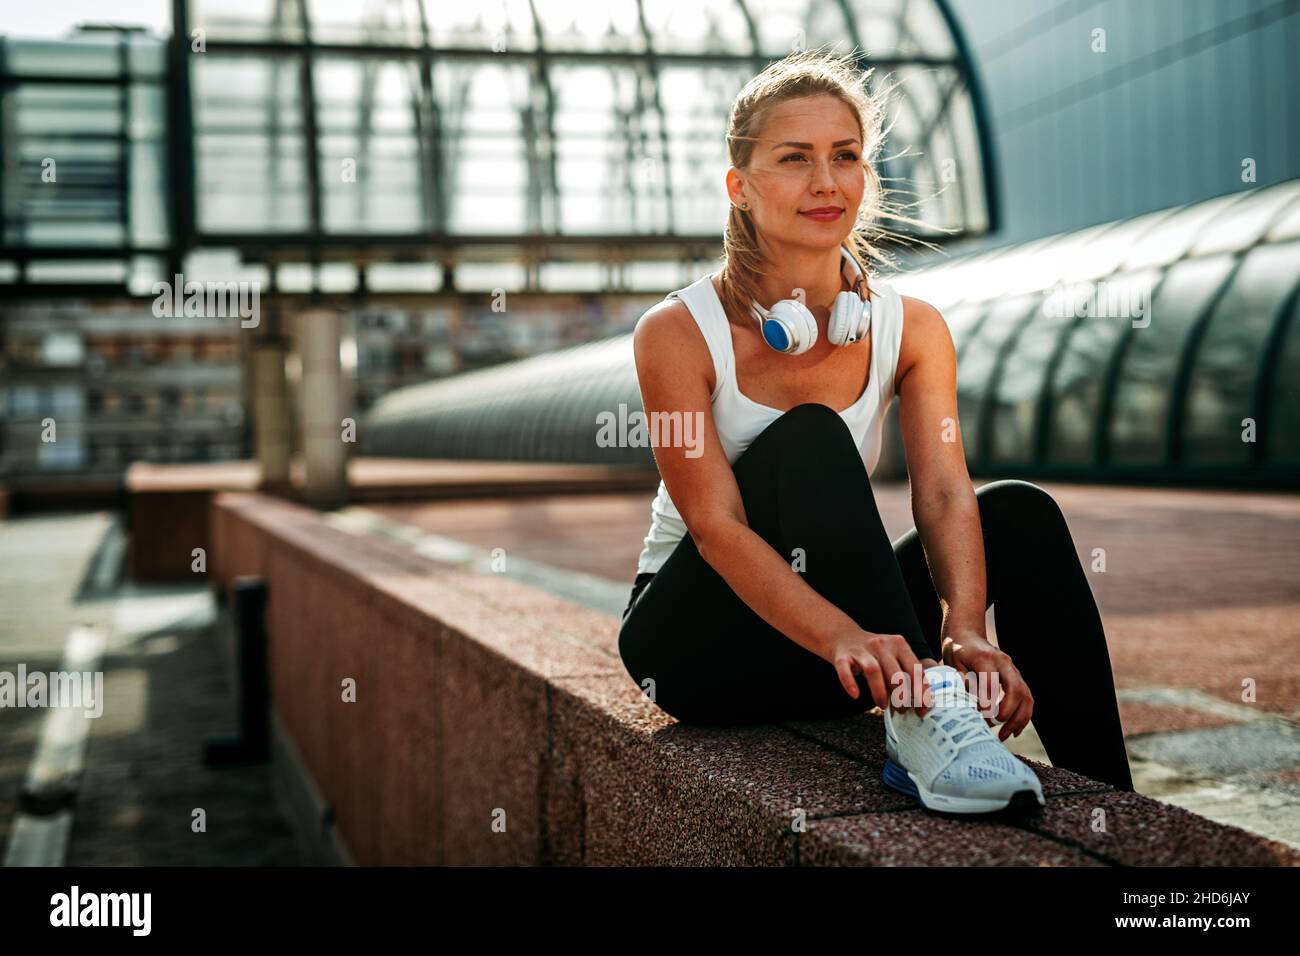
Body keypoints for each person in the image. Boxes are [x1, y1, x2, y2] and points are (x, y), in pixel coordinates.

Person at [616, 48, 1134, 815]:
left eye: (846, 156)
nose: (826, 182)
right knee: (811, 436)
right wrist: (842, 637)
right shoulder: (678, 331)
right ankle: (926, 716)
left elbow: (944, 489)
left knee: (1018, 512)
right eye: (794, 158)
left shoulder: (912, 328)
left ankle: (1118, 812)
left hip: (848, 654)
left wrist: (962, 627)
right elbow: (716, 527)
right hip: (699, 645)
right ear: (742, 187)